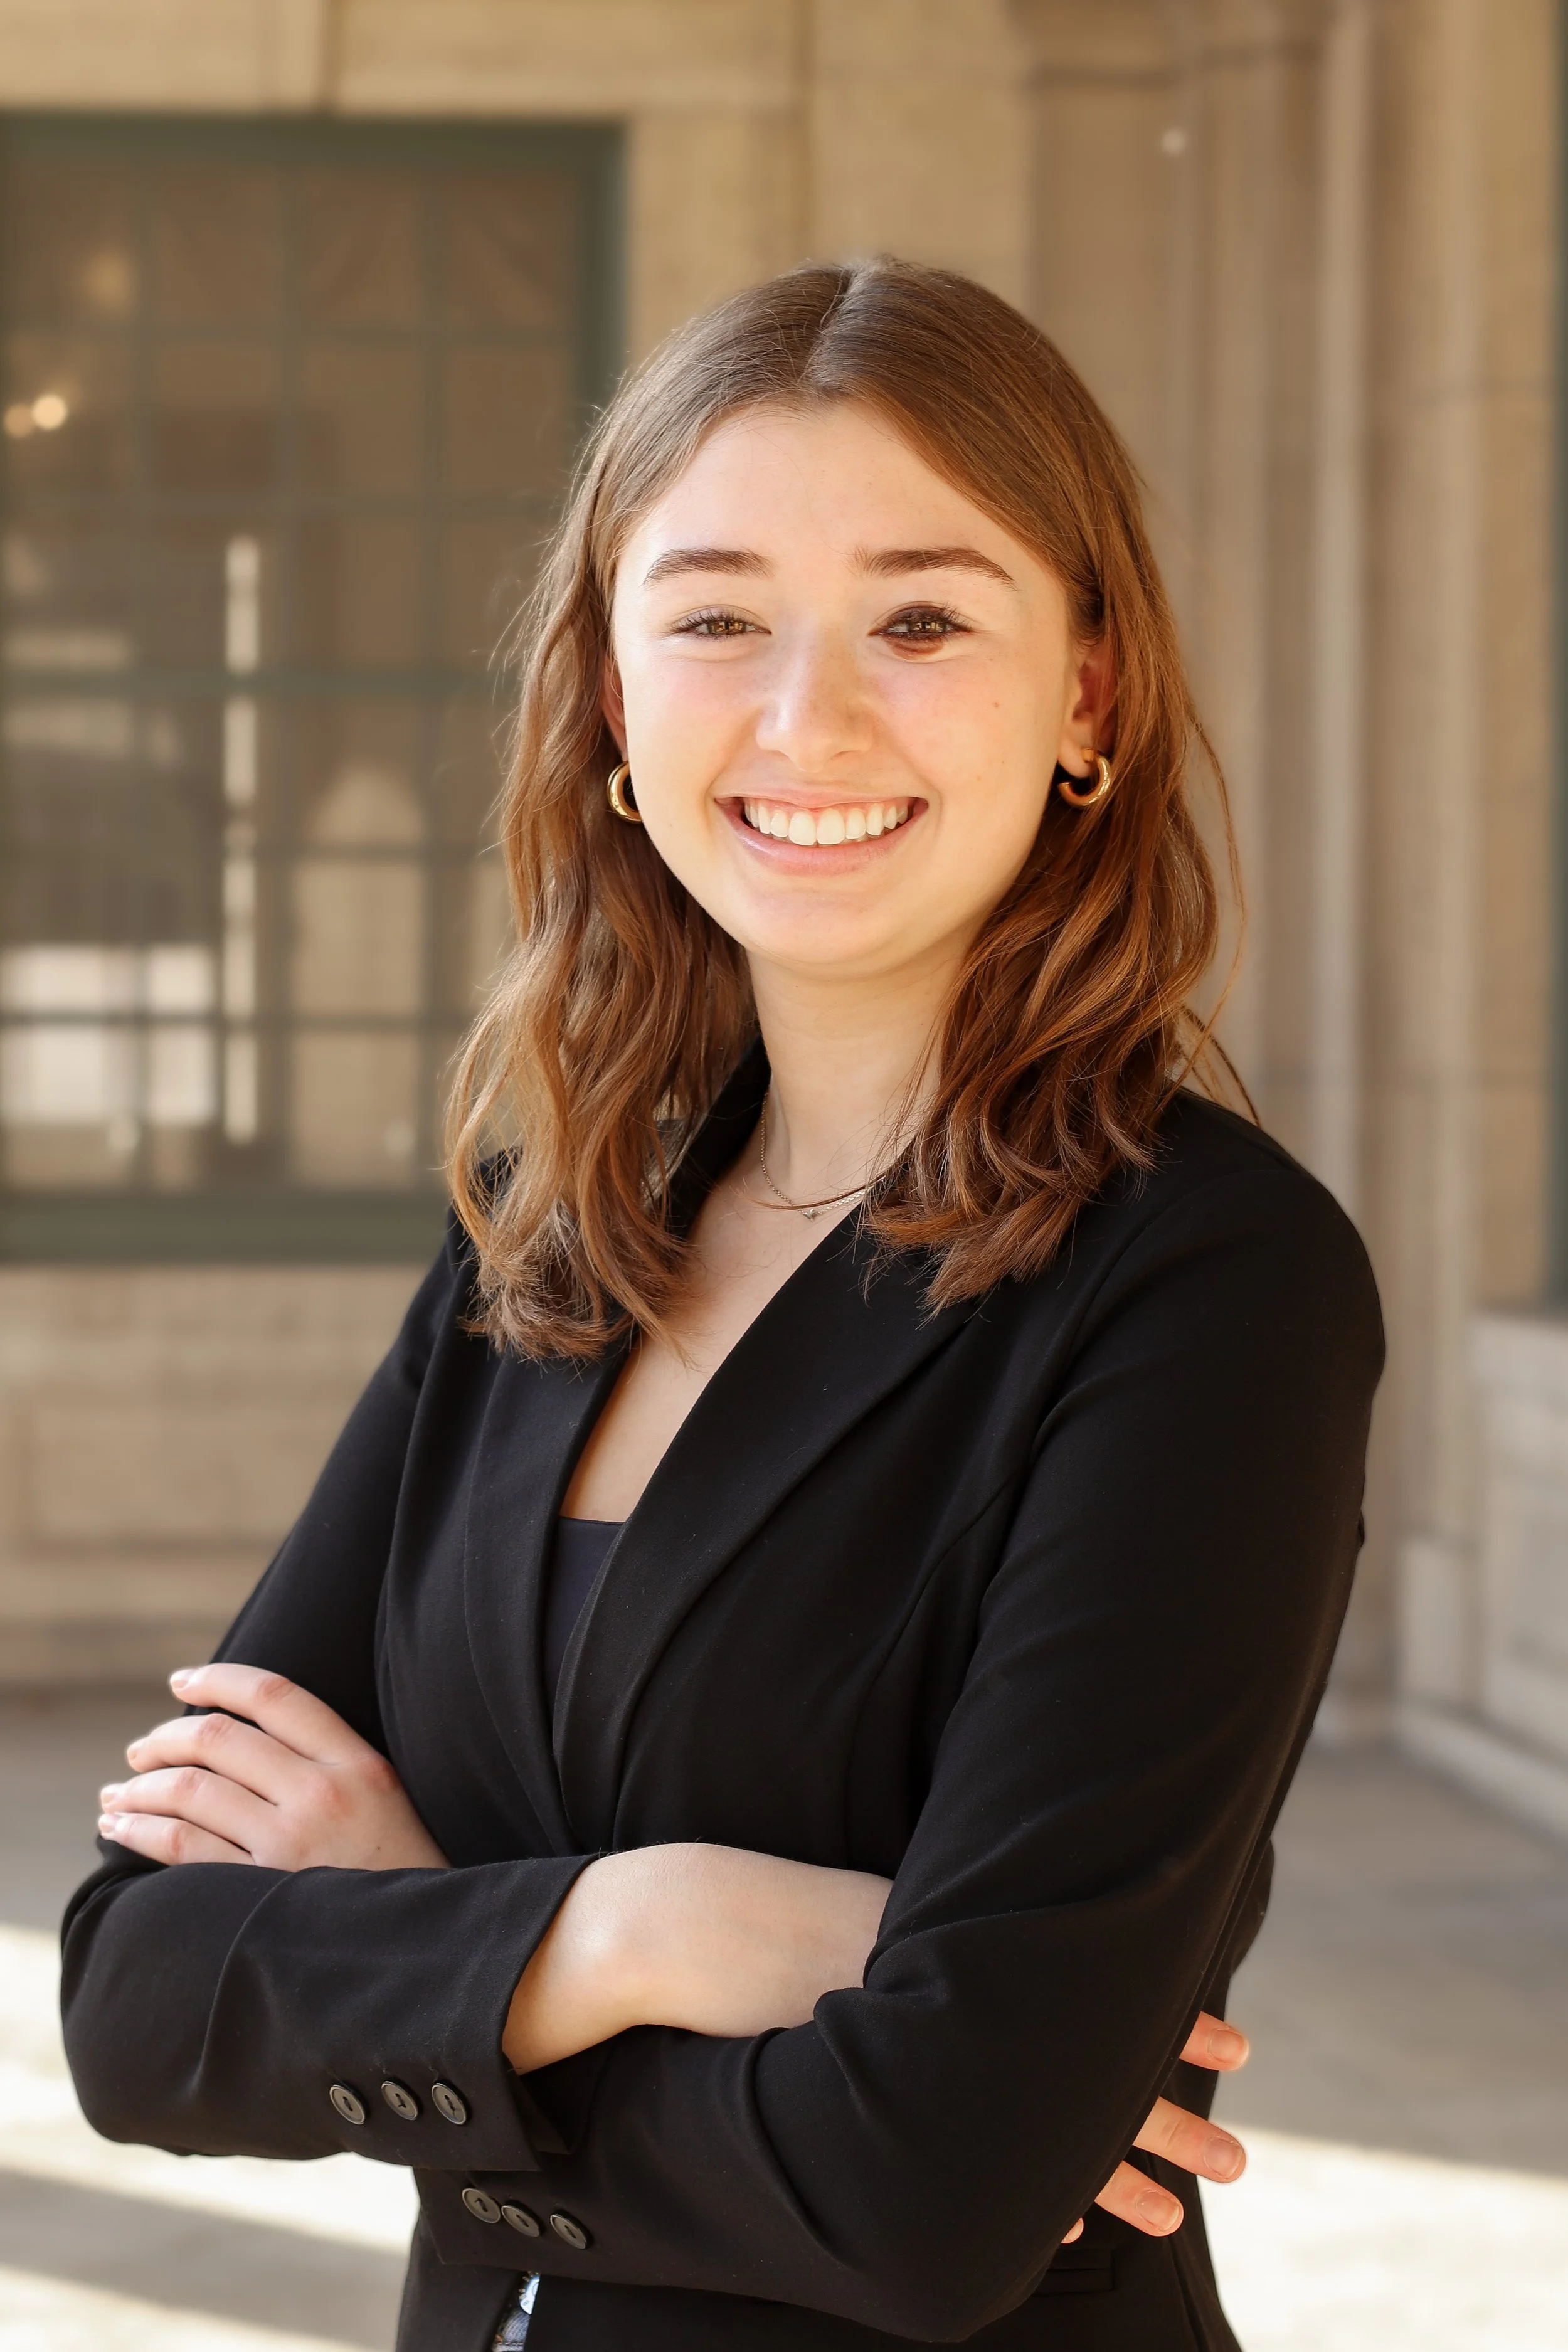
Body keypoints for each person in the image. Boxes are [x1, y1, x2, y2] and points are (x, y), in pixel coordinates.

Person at [61, 260, 1382, 2352]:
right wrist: (654, 1922)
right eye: (713, 616)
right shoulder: (546, 1227)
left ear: (1089, 697)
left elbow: (935, 2189)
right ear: (608, 697)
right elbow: (138, 2002)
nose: (807, 718)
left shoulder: (1205, 1283)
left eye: (923, 617)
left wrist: (408, 1936)